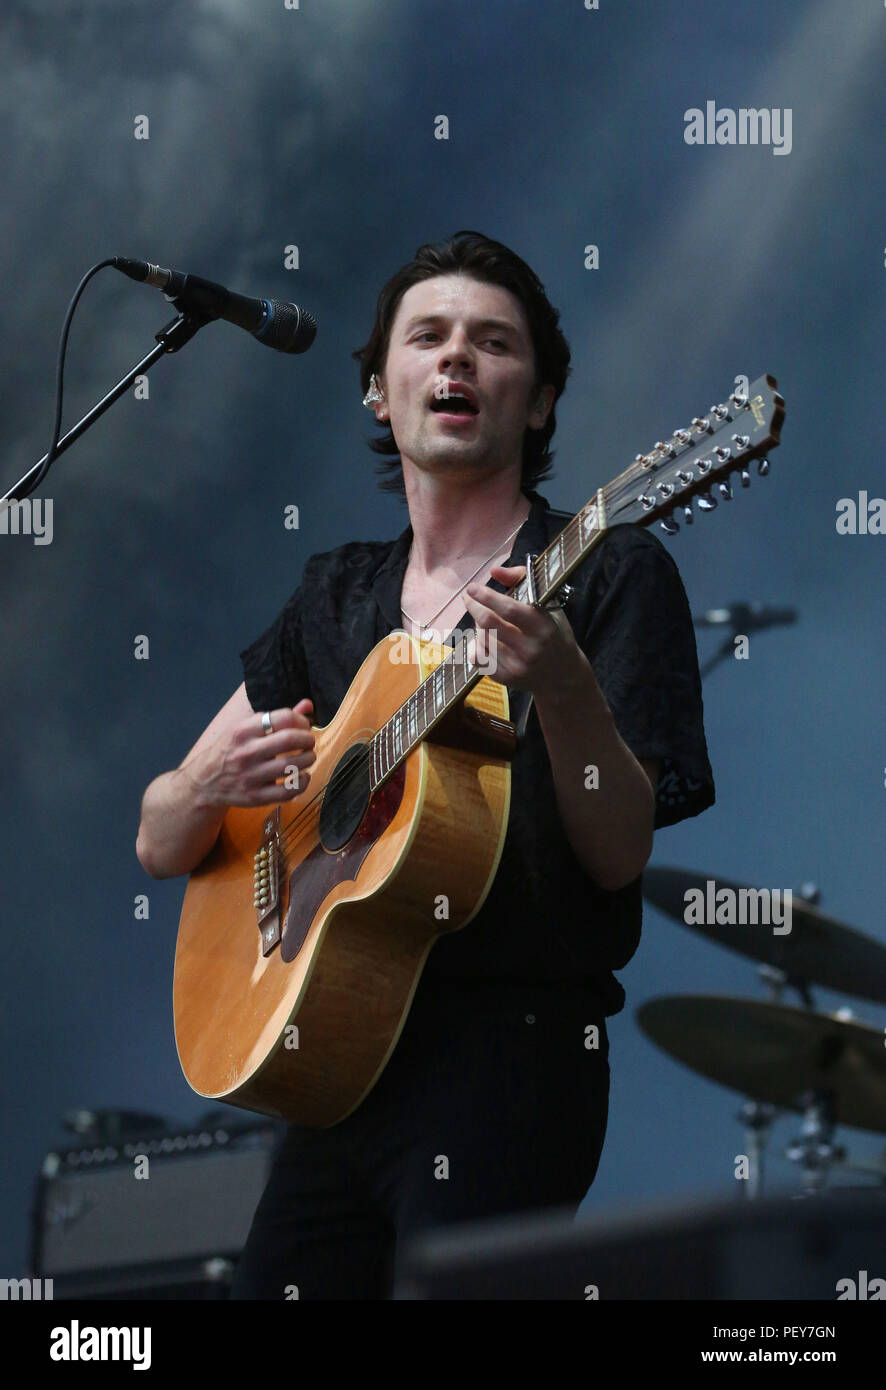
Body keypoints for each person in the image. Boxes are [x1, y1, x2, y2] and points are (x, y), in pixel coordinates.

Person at [136, 230, 715, 1299]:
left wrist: (566, 690)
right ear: (376, 389)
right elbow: (161, 837)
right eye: (429, 337)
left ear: (537, 403)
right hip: (334, 1052)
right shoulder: (334, 595)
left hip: (509, 1058)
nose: (457, 359)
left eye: (493, 344)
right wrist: (201, 788)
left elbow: (619, 847)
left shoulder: (609, 569)